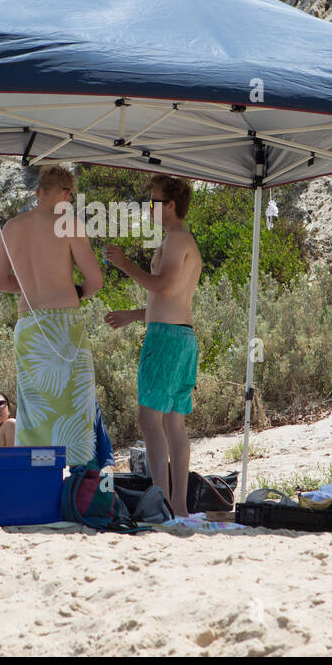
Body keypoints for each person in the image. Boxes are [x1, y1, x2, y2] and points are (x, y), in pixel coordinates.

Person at [0, 164, 103, 466]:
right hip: (64, 325)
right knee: (75, 409)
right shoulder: (70, 225)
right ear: (67, 194)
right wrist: (76, 291)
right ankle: (77, 483)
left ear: (39, 192)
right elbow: (96, 282)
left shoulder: (12, 227)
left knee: (34, 411)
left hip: (29, 325)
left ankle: (40, 479)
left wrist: (27, 286)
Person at [104, 175, 203, 516]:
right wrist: (134, 315)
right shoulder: (181, 240)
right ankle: (177, 506)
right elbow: (170, 298)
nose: (149, 208)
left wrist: (123, 263)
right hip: (182, 336)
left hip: (165, 338)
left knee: (150, 421)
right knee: (173, 423)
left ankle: (161, 502)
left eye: (154, 202)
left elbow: (162, 287)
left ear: (170, 206)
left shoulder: (176, 240)